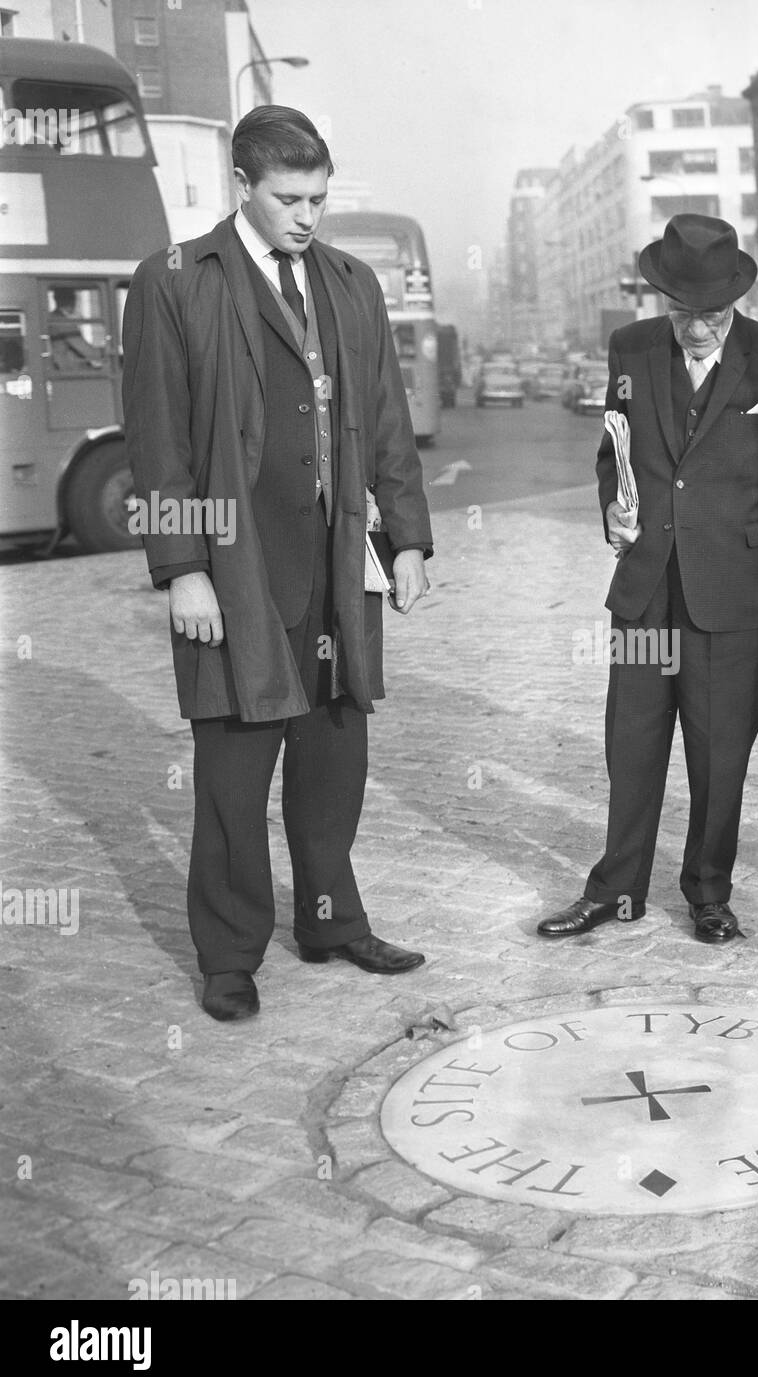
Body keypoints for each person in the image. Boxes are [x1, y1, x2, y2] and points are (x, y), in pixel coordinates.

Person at [122, 106, 434, 1023]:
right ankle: (228, 957)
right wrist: (182, 568)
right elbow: (157, 438)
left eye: (320, 199)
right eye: (290, 198)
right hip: (234, 569)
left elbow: (385, 416)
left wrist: (407, 537)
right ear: (242, 187)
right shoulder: (174, 281)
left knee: (335, 755)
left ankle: (331, 922)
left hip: (339, 566)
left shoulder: (349, 281)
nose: (308, 216)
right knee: (232, 774)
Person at [536, 214, 758, 944]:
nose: (695, 330)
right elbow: (615, 448)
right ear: (660, 297)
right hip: (645, 590)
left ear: (736, 302)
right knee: (629, 743)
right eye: (681, 313)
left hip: (735, 590)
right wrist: (613, 509)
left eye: (711, 317)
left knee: (720, 750)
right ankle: (614, 890)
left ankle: (708, 894)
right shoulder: (629, 347)